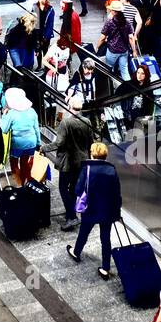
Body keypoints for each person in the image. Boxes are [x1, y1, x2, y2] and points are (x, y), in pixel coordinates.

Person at [65, 142, 122, 277]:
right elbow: (117, 193)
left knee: (84, 232)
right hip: (107, 210)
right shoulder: (112, 170)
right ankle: (105, 267)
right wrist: (117, 212)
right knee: (105, 238)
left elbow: (78, 190)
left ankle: (76, 251)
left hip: (90, 208)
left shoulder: (88, 169)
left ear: (92, 153)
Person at [54, 95, 93, 232]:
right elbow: (90, 142)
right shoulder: (87, 121)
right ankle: (72, 211)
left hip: (68, 162)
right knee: (74, 188)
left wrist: (43, 148)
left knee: (63, 188)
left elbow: (59, 143)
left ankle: (71, 216)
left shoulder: (65, 123)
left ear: (69, 107)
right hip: (81, 161)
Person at [0, 88, 40, 187]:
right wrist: (38, 143)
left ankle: (20, 185)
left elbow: (3, 129)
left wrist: (4, 115)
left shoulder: (11, 113)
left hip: (17, 144)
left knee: (14, 164)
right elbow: (37, 129)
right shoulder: (32, 111)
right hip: (31, 142)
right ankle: (26, 182)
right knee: (25, 164)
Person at [99, 0, 137, 81]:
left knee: (109, 70)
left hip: (112, 51)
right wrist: (134, 51)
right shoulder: (127, 22)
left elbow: (102, 38)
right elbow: (131, 37)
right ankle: (129, 88)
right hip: (124, 50)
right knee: (124, 71)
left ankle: (112, 89)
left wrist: (97, 47)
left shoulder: (109, 22)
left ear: (114, 11)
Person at [30, 0, 54, 68]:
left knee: (45, 50)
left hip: (45, 34)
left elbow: (50, 25)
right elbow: (32, 20)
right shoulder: (35, 7)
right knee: (37, 50)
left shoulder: (50, 9)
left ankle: (46, 66)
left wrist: (46, 37)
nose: (41, 0)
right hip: (37, 32)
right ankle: (39, 66)